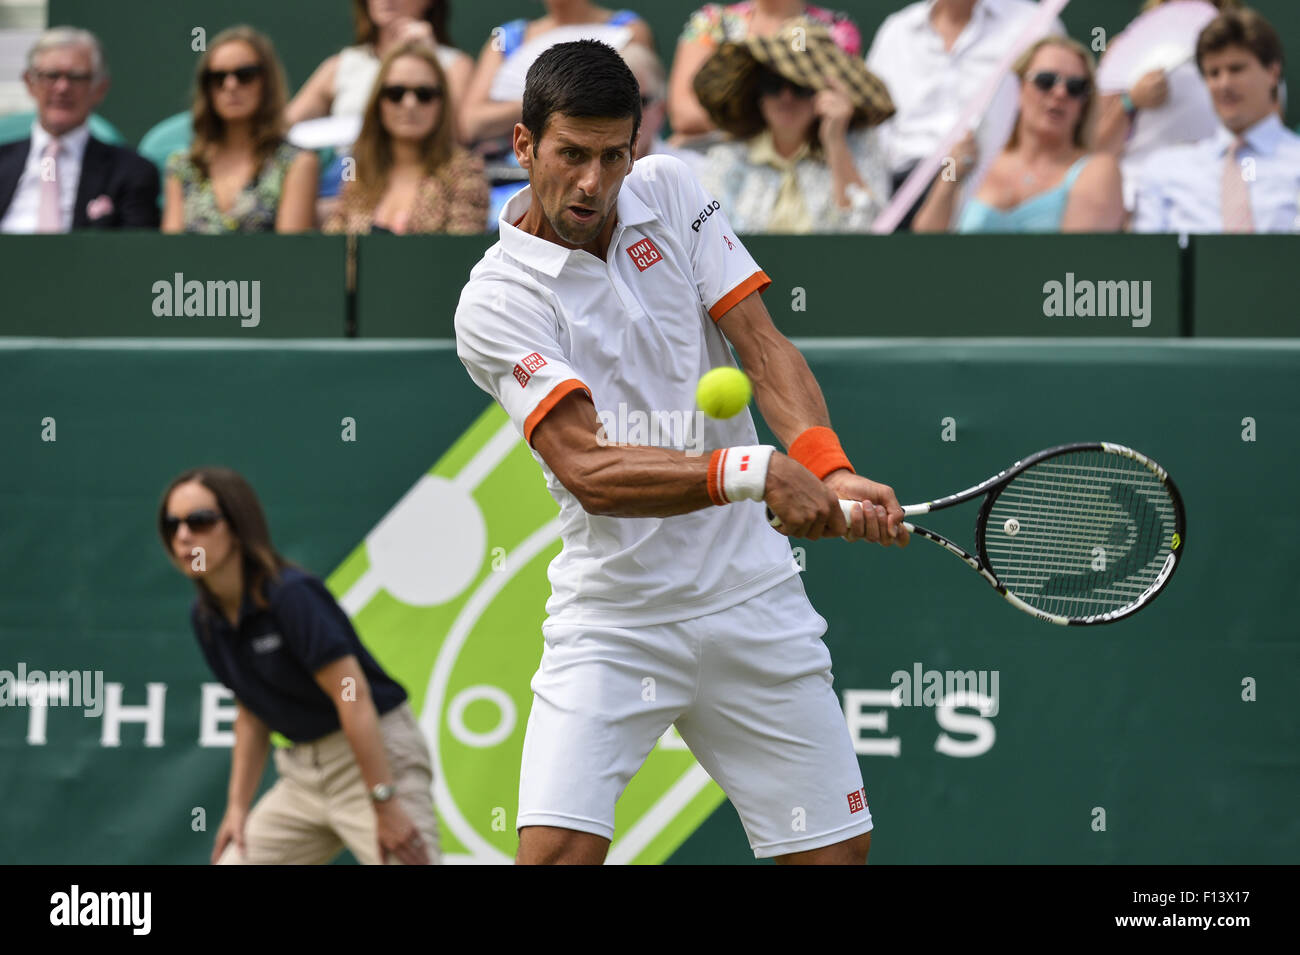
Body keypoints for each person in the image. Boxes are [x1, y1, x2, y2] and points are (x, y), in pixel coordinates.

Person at [454, 40, 908, 866]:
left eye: (612, 155)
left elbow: (762, 347)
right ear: (523, 146)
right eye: (570, 155)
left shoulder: (671, 188)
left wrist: (828, 465)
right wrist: (756, 470)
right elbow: (588, 469)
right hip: (616, 617)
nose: (593, 183)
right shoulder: (495, 301)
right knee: (553, 854)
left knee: (833, 857)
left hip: (752, 597)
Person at [159, 466, 438, 865]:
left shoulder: (291, 595)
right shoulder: (205, 618)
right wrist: (237, 809)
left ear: (237, 526)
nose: (184, 536)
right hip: (303, 777)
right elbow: (252, 714)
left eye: (200, 521)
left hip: (375, 761)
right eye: (173, 525)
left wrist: (384, 801)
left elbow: (352, 696)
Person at [865, 0, 1065, 230]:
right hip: (897, 198)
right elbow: (873, 128)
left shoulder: (1035, 24)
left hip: (988, 191)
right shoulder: (897, 31)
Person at [692, 19, 893, 233]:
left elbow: (867, 232)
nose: (786, 97)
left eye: (800, 85)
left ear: (824, 91)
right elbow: (707, 238)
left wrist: (835, 143)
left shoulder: (859, 146)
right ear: (757, 92)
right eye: (773, 83)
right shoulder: (728, 156)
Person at [913, 36, 1123, 233]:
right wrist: (950, 176)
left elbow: (1079, 260)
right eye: (1045, 80)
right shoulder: (980, 159)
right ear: (1018, 87)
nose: (1060, 93)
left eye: (1075, 87)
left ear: (1084, 104)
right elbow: (925, 244)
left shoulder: (1097, 169)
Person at [1133, 9, 1300, 234]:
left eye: (1236, 69)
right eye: (1213, 73)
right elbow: (1150, 261)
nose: (1224, 84)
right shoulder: (1165, 169)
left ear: (1272, 73)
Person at [0, 27, 158, 232]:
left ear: (99, 88)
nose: (62, 88)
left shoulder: (131, 172)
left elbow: (136, 255)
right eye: (51, 75)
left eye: (76, 77)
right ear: (30, 83)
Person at [163, 26, 318, 234]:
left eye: (245, 75)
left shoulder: (297, 163)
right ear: (206, 88)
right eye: (218, 77)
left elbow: (289, 257)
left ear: (266, 82)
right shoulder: (182, 166)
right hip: (190, 268)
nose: (230, 85)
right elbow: (171, 254)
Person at [323, 41, 488, 234]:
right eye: (395, 93)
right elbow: (335, 244)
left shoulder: (465, 173)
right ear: (378, 102)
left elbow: (460, 255)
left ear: (442, 103)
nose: (409, 103)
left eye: (424, 94)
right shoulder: (360, 172)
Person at [1094, 0, 1242, 212]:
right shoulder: (1124, 48)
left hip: (1217, 196)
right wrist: (1131, 100)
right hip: (1139, 198)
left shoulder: (1246, 49)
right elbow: (1098, 149)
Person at [459, 0, 652, 148]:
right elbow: (471, 123)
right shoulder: (505, 38)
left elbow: (630, 106)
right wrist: (545, 101)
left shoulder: (629, 30)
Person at [668, 0, 863, 140]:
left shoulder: (834, 29)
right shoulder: (711, 22)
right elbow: (684, 114)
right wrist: (778, 122)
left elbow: (842, 108)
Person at [285, 0, 473, 129]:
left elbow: (460, 133)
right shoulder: (341, 65)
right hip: (349, 179)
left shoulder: (454, 65)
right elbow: (281, 127)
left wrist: (430, 61)